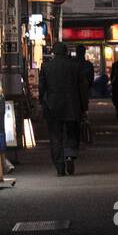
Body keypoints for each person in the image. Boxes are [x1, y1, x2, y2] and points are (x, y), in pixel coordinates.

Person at [39, 41, 90, 175]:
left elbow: (42, 88)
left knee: (56, 137)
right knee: (72, 133)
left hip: (53, 106)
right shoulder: (75, 66)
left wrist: (41, 102)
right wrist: (84, 106)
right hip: (73, 105)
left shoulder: (46, 66)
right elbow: (82, 87)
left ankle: (59, 166)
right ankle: (69, 156)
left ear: (54, 53)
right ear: (66, 52)